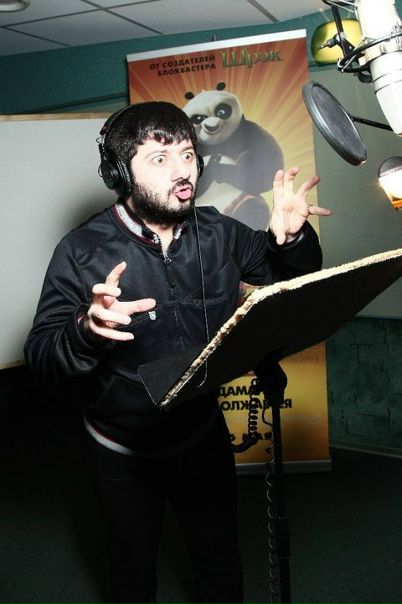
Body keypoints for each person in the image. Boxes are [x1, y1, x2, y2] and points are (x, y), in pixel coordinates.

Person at [24, 101, 331, 604]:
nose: (183, 170)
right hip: (122, 451)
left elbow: (292, 282)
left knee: (220, 565)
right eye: (160, 158)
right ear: (121, 173)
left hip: (202, 437)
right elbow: (41, 355)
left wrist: (292, 239)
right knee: (132, 577)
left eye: (187, 154)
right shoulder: (80, 250)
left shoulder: (221, 232)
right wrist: (86, 330)